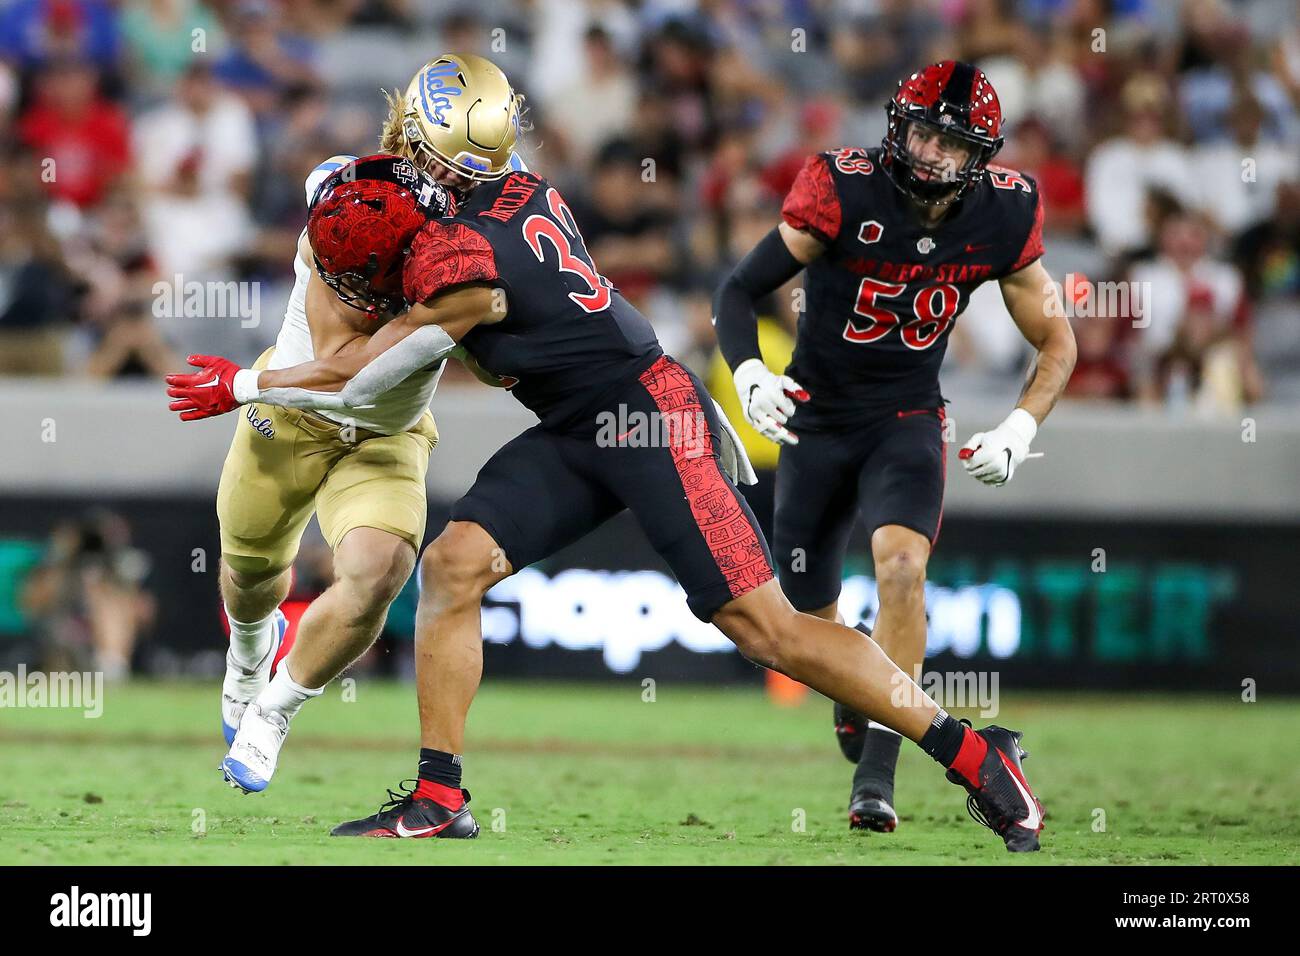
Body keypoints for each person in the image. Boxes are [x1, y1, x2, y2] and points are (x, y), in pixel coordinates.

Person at [166, 54, 1047, 852]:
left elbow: (362, 374)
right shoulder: (515, 188)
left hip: (647, 418)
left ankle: (975, 751)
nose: (416, 169)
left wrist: (247, 386)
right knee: (453, 566)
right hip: (583, 421)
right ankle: (440, 796)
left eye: (429, 161)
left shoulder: (463, 255)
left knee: (767, 629)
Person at [713, 61, 1076, 833]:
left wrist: (1020, 428)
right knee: (803, 619)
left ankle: (876, 776)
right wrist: (748, 370)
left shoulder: (1006, 212)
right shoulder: (842, 187)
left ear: (982, 154)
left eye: (953, 143)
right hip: (813, 419)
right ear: (895, 126)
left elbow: (1056, 341)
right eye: (923, 134)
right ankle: (858, 690)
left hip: (906, 415)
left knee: (903, 569)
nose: (935, 156)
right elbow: (739, 289)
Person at [165, 154, 467, 792]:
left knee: (379, 569)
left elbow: (354, 379)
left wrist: (243, 383)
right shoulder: (339, 205)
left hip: (382, 433)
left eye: (358, 278)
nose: (340, 286)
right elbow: (337, 361)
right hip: (289, 418)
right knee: (248, 576)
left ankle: (274, 711)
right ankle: (250, 650)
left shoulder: (455, 265)